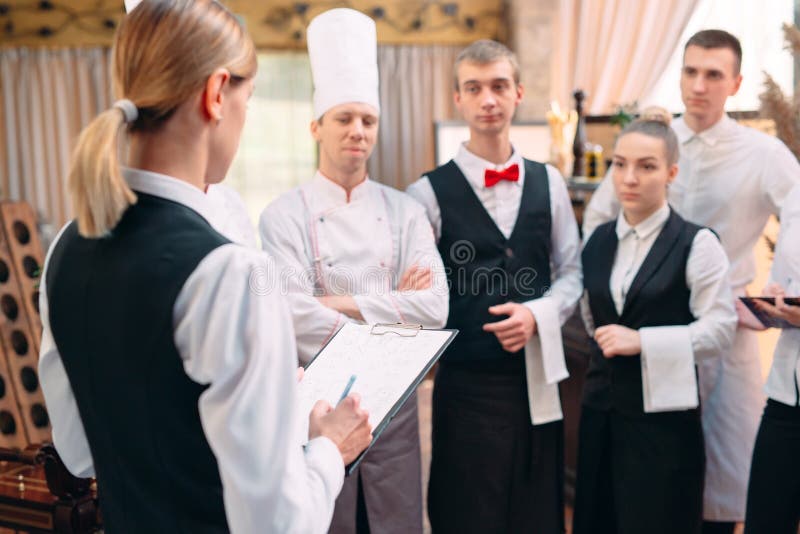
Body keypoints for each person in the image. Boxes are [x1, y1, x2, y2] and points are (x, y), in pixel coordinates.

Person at [37, 1, 372, 532]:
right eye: (248, 99)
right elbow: (279, 526)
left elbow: (78, 452)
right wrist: (328, 447)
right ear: (217, 94)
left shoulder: (66, 247)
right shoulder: (230, 274)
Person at [582, 29, 800, 532]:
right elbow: (599, 220)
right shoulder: (652, 143)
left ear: (736, 84)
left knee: (724, 478)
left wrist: (781, 288)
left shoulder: (763, 153)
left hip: (724, 330)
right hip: (644, 329)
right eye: (690, 72)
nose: (699, 86)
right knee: (653, 477)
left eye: (713, 75)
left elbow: (797, 210)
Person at [259, 9, 448, 534]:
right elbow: (291, 315)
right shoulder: (282, 215)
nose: (358, 132)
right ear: (316, 126)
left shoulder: (406, 210)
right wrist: (396, 313)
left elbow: (435, 307)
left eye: (368, 120)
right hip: (317, 412)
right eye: (344, 118)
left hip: (396, 416)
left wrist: (332, 301)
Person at [406, 39, 582, 533]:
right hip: (464, 384)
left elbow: (572, 272)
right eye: (474, 88)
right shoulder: (425, 193)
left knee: (535, 510)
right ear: (458, 99)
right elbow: (417, 289)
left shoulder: (551, 183)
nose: (488, 99)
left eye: (499, 86)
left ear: (518, 93)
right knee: (466, 510)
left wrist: (537, 316)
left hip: (535, 379)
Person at [573, 112, 736, 534]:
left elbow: (721, 328)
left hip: (664, 426)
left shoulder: (698, 244)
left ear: (671, 173)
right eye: (620, 164)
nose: (629, 178)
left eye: (647, 166)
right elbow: (592, 318)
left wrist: (643, 341)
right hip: (600, 417)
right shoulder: (596, 241)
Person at [743, 184, 800, 534]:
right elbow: (784, 276)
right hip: (786, 390)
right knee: (765, 521)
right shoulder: (797, 194)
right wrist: (777, 296)